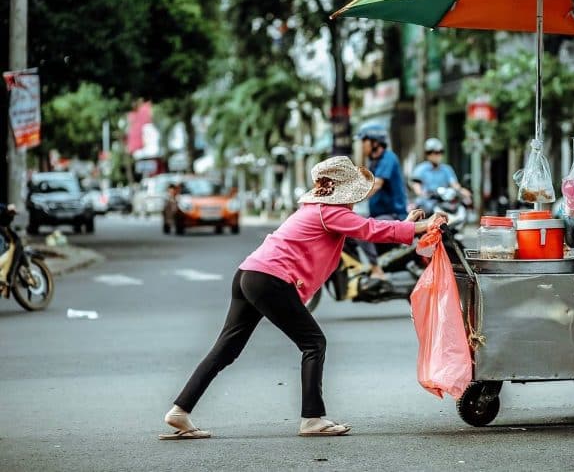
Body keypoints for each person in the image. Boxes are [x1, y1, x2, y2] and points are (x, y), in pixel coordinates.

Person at [160, 156, 444, 440]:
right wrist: (421, 227)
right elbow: (370, 229)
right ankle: (312, 418)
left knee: (226, 348)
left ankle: (179, 410)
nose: (356, 200)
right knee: (313, 342)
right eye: (355, 194)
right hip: (270, 279)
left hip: (249, 273)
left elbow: (365, 229)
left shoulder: (317, 210)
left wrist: (407, 225)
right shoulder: (330, 212)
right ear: (343, 192)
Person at [355, 123, 409, 279]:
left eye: (363, 141)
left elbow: (376, 184)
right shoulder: (373, 162)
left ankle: (376, 269)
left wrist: (351, 199)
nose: (362, 146)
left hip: (394, 215)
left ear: (374, 142)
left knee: (361, 230)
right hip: (380, 214)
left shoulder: (388, 158)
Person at [411, 138, 471, 214]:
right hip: (426, 202)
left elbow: (454, 184)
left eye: (440, 152)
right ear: (428, 154)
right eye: (435, 152)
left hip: (444, 201)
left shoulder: (447, 169)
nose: (438, 155)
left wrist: (462, 190)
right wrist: (422, 193)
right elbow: (417, 186)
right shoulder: (421, 169)